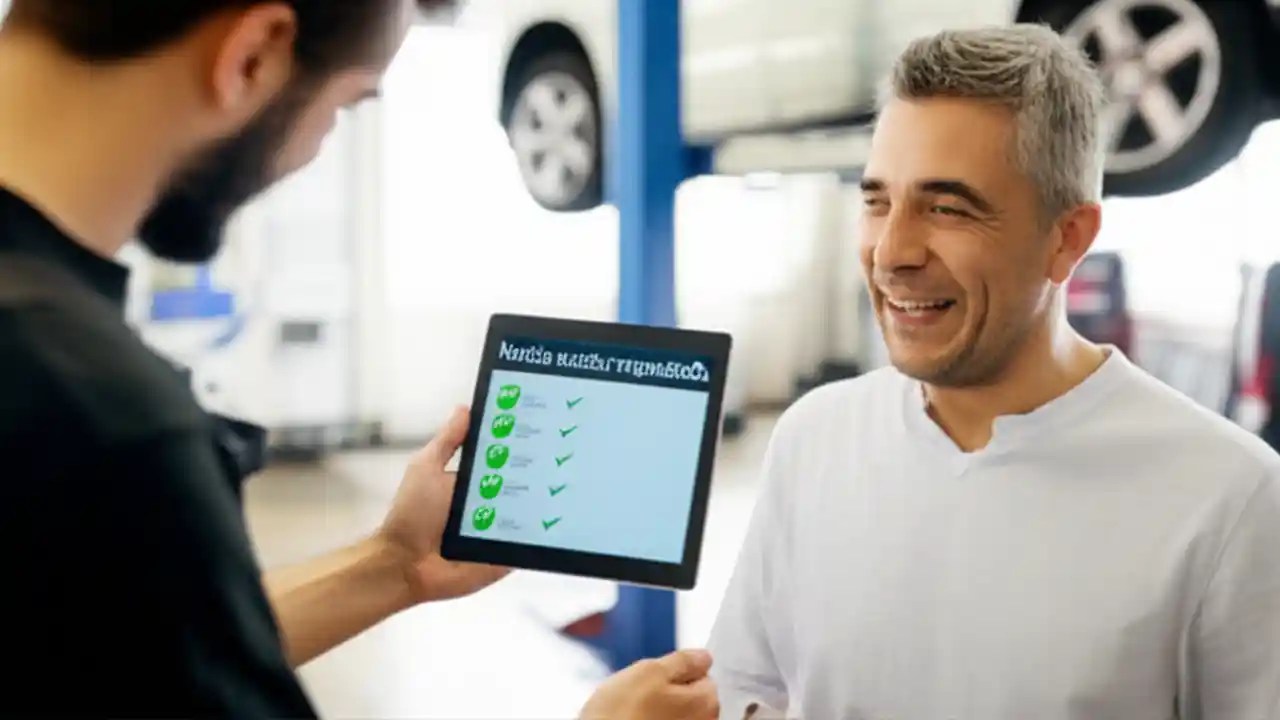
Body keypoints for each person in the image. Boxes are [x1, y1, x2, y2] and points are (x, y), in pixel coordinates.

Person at [0, 1, 718, 717]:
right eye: (344, 105)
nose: (316, 147)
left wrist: (392, 565)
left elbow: (117, 644)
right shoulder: (100, 421)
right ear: (254, 55)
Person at [708, 24, 1280, 720]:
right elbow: (741, 690)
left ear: (1067, 239)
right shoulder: (814, 438)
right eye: (877, 201)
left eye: (947, 208)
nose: (891, 254)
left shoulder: (1230, 498)